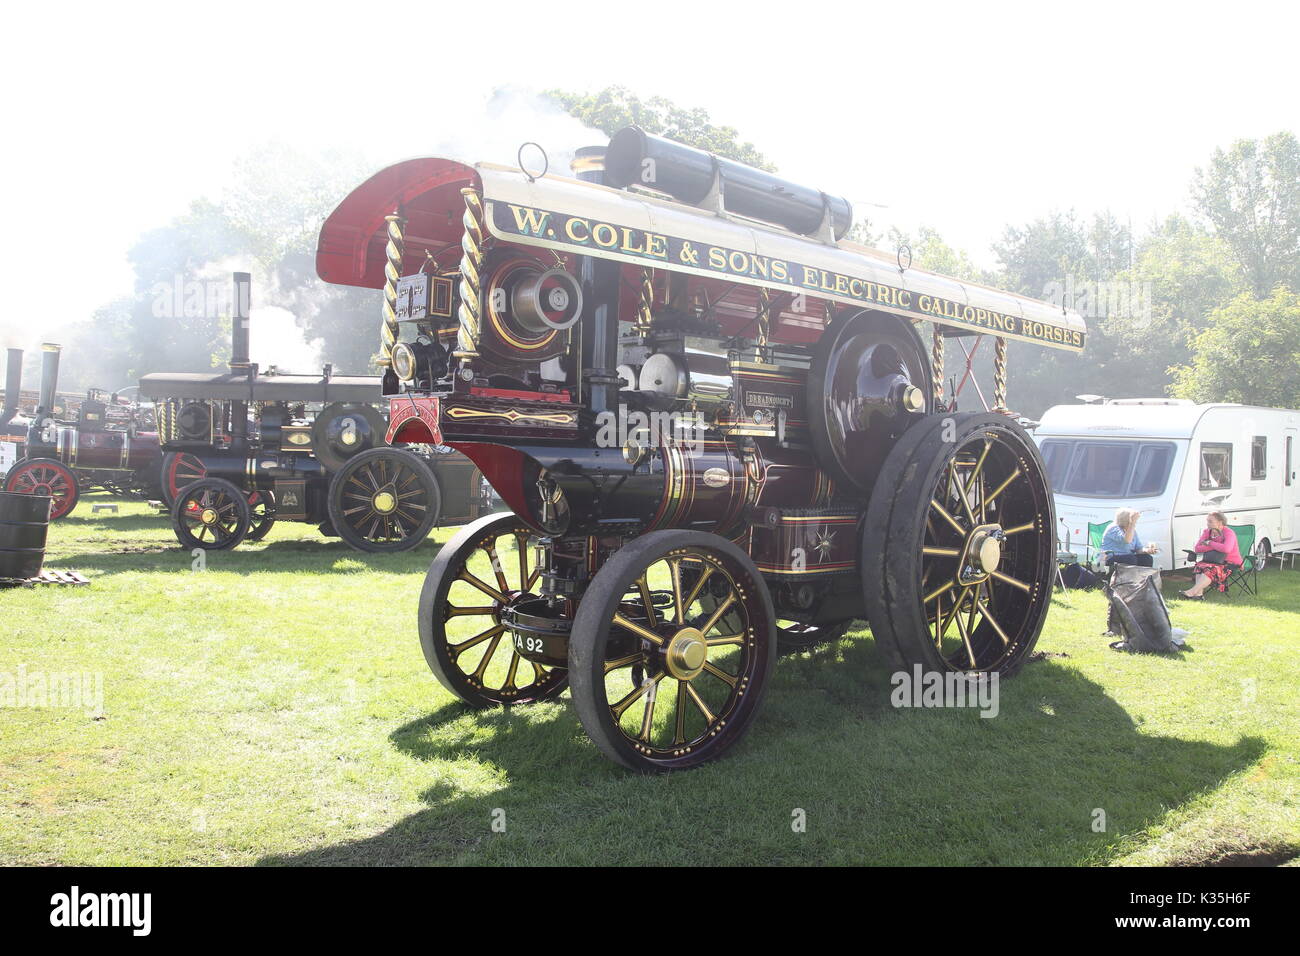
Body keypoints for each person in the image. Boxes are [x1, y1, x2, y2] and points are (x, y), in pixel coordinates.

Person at [1180, 511, 1241, 598]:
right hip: (1212, 560)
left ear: (1220, 522)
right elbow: (1197, 548)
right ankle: (1199, 595)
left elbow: (1227, 549)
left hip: (1229, 562)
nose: (1207, 524)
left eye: (1210, 521)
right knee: (1200, 565)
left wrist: (1209, 543)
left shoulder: (1228, 533)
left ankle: (1192, 592)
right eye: (1207, 521)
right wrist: (1215, 545)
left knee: (1210, 569)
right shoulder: (1207, 532)